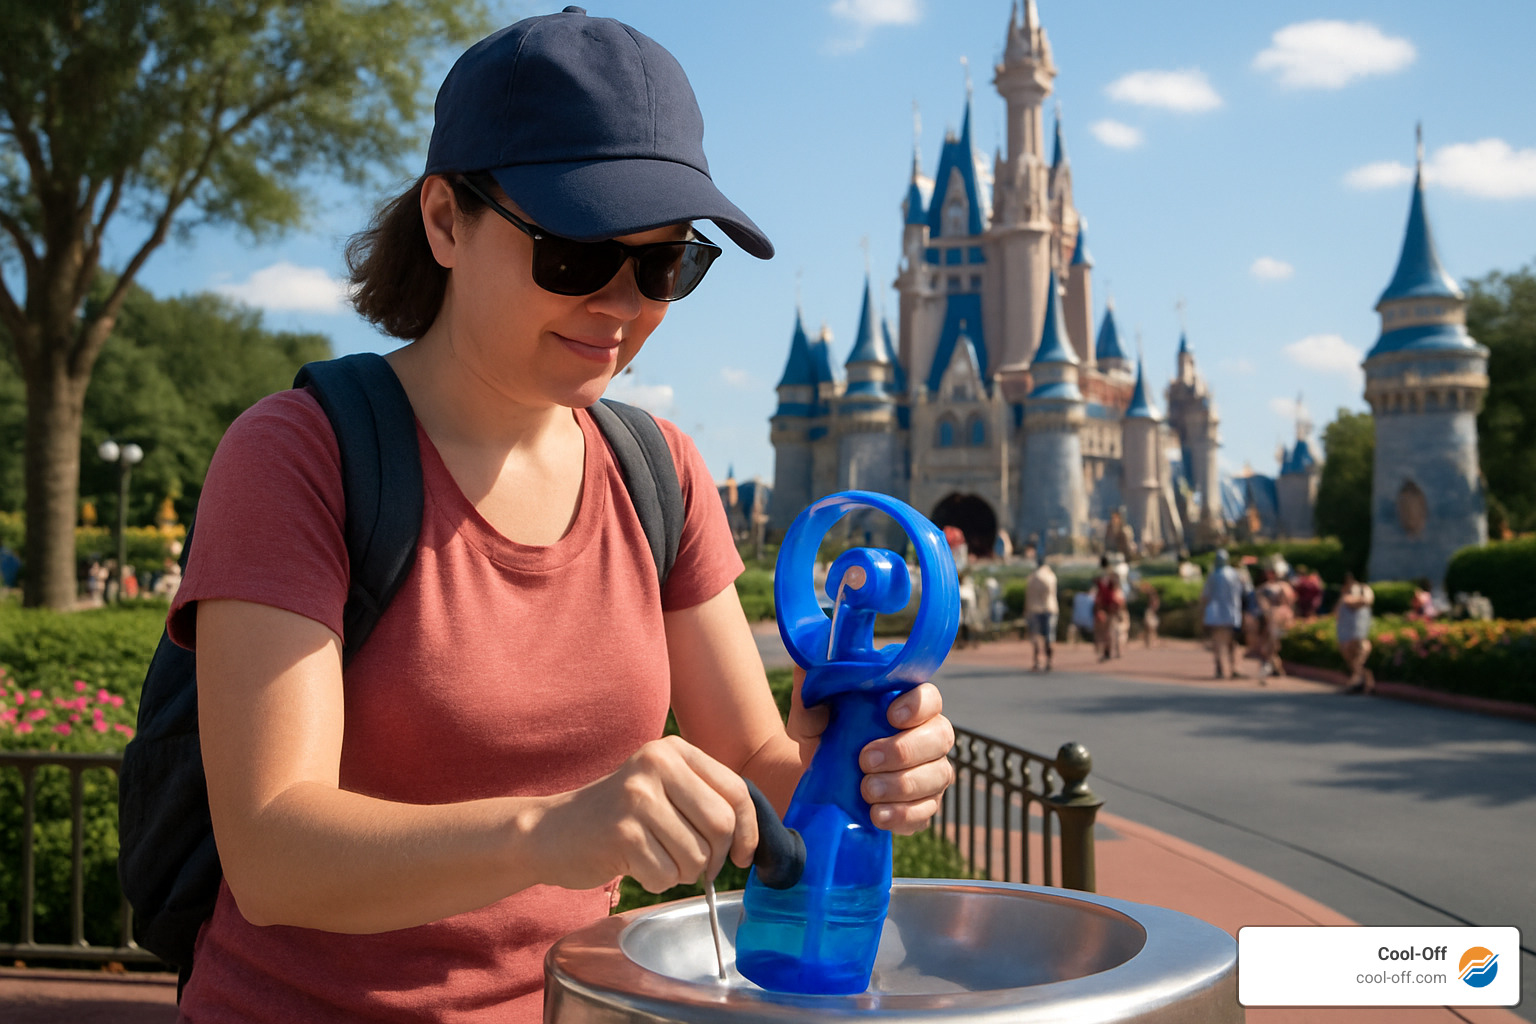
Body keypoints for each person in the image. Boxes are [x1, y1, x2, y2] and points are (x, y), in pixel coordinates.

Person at [164, 11, 955, 1021]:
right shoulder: (299, 454)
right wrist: (553, 833)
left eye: (665, 264)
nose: (623, 305)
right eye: (576, 255)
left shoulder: (657, 471)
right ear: (445, 220)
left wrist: (865, 755)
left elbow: (763, 769)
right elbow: (274, 852)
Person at [1198, 549, 1245, 679]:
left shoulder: (1213, 575)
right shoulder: (1235, 574)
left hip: (1216, 614)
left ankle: (1220, 668)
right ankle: (1234, 667)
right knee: (1232, 642)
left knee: (1218, 643)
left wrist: (1201, 612)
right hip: (1232, 613)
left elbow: (1205, 596)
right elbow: (1243, 592)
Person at [1337, 572, 1376, 694]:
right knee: (1351, 658)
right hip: (1346, 630)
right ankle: (1365, 681)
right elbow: (1338, 610)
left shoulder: (1364, 589)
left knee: (1360, 656)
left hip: (1359, 628)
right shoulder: (1345, 592)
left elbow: (1366, 601)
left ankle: (1359, 681)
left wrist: (1352, 600)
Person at [1256, 569, 1296, 680]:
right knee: (1272, 645)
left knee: (1271, 645)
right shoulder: (1279, 587)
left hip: (1276, 619)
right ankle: (1275, 668)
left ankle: (1274, 668)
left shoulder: (1275, 588)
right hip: (1278, 618)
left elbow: (1262, 604)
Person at [1024, 560, 1058, 671]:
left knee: (1036, 635)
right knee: (1049, 636)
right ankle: (1048, 661)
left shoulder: (1032, 578)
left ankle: (1038, 661)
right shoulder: (1050, 576)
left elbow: (1028, 596)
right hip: (1049, 608)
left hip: (1035, 609)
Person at [1092, 556, 1125, 661]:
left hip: (1106, 606)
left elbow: (1099, 590)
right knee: (1114, 629)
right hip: (1113, 605)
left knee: (1107, 630)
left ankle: (1109, 651)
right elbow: (1117, 589)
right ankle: (1115, 650)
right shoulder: (1112, 574)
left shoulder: (1102, 575)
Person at [1140, 582, 1161, 649]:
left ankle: (1152, 642)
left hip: (1151, 613)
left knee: (1151, 628)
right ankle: (1149, 642)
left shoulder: (1153, 597)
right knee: (1149, 629)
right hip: (1150, 613)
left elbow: (1156, 605)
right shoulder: (1152, 596)